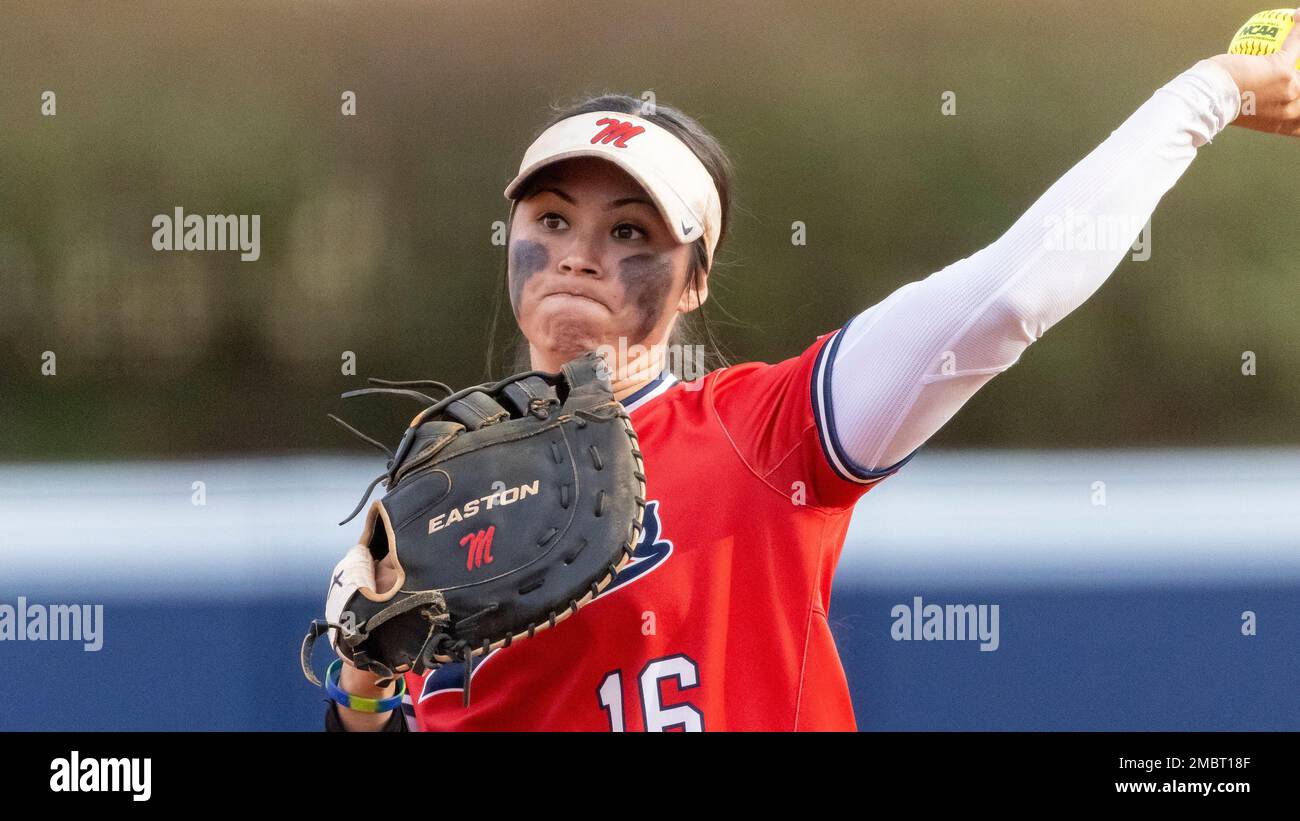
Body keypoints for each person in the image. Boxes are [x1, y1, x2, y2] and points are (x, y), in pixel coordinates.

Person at [322, 25, 1300, 731]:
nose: (579, 252)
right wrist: (362, 685)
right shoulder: (435, 497)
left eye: (631, 230)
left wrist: (1204, 94)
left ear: (696, 276)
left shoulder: (764, 431)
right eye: (551, 220)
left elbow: (1006, 296)